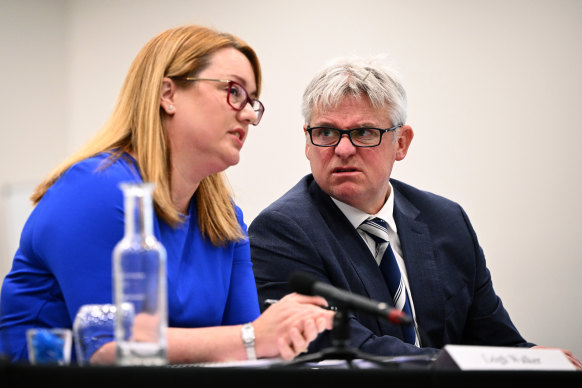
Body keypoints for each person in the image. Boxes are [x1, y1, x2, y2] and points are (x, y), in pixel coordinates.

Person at [0, 25, 334, 364]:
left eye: (252, 102)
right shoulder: (95, 188)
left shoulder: (224, 217)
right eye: (234, 91)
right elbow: (108, 347)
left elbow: (245, 353)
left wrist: (279, 337)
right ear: (168, 94)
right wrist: (254, 338)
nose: (248, 114)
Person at [249, 56, 582, 368]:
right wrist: (465, 366)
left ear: (402, 143)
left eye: (364, 132)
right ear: (307, 142)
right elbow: (346, 350)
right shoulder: (281, 231)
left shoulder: (446, 221)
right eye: (326, 132)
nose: (343, 149)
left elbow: (494, 340)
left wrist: (536, 359)